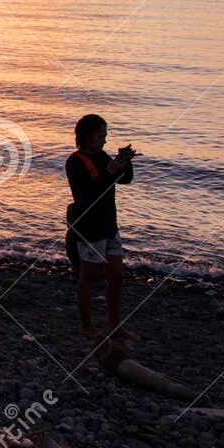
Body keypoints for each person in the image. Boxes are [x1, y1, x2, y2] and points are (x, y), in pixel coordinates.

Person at [64, 113, 135, 341]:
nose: (104, 140)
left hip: (109, 226)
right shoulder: (75, 162)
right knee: (90, 276)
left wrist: (125, 162)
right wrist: (109, 172)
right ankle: (86, 325)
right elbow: (86, 195)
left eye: (105, 136)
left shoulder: (103, 156)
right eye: (100, 136)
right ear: (87, 136)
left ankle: (114, 326)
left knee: (116, 276)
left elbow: (124, 180)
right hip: (89, 228)